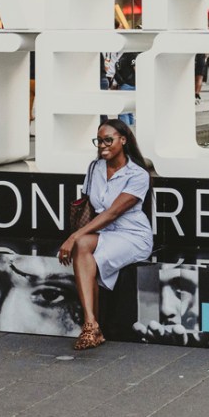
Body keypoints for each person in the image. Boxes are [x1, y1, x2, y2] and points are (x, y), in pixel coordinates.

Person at [57, 118, 153, 351]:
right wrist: (78, 238)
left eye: (108, 140)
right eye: (98, 141)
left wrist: (72, 237)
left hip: (132, 235)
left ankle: (92, 327)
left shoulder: (137, 174)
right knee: (83, 247)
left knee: (80, 245)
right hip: (104, 232)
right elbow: (91, 204)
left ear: (123, 140)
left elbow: (112, 213)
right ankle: (91, 324)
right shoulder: (95, 168)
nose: (102, 146)